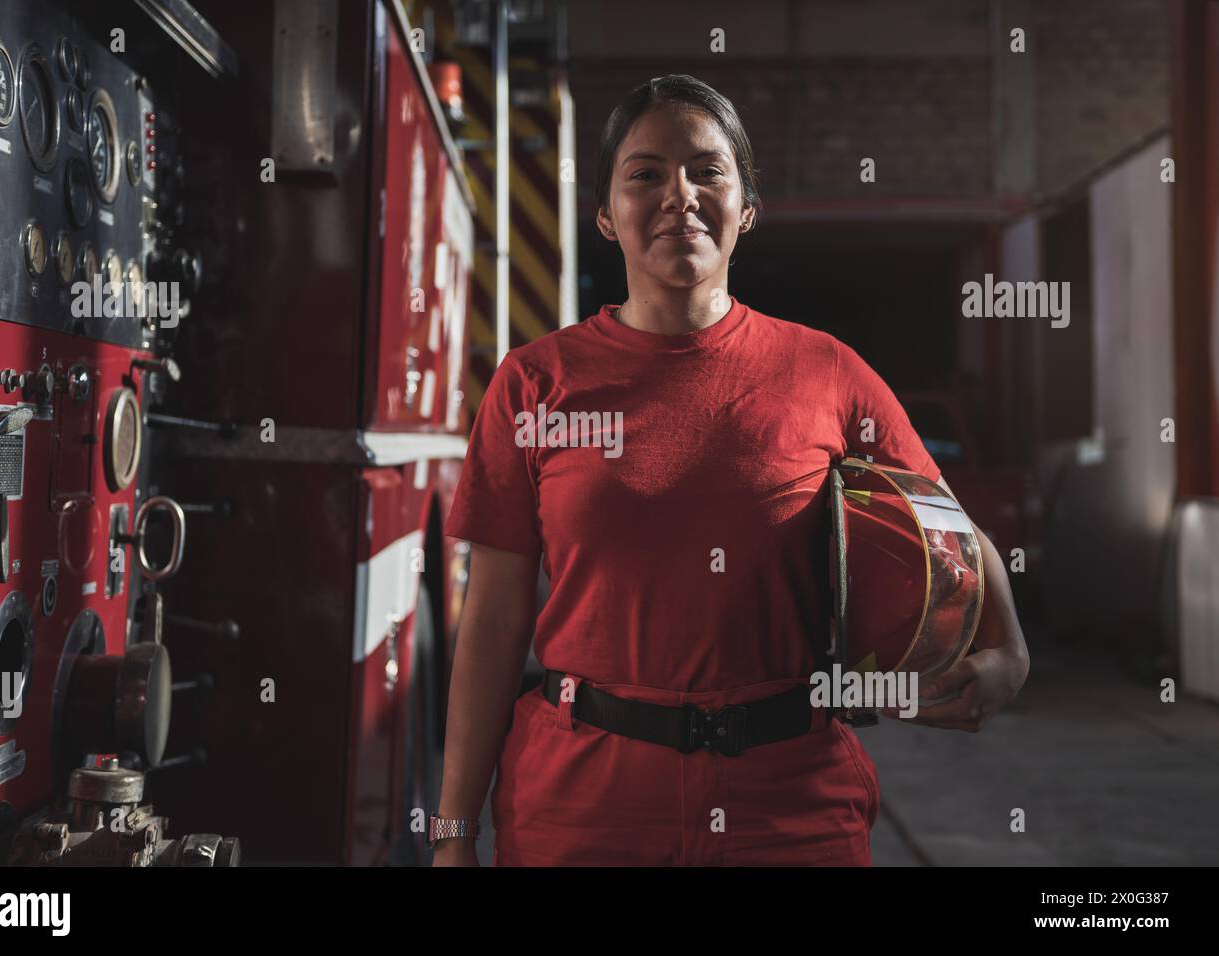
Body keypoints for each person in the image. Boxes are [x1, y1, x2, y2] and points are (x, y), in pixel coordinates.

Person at [433, 74, 1029, 867]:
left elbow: (949, 527)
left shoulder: (827, 371)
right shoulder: (535, 384)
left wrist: (1009, 652)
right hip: (581, 806)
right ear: (606, 215)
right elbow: (493, 623)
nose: (678, 193)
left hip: (787, 804)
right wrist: (450, 834)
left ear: (745, 208)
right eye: (645, 173)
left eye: (706, 170)